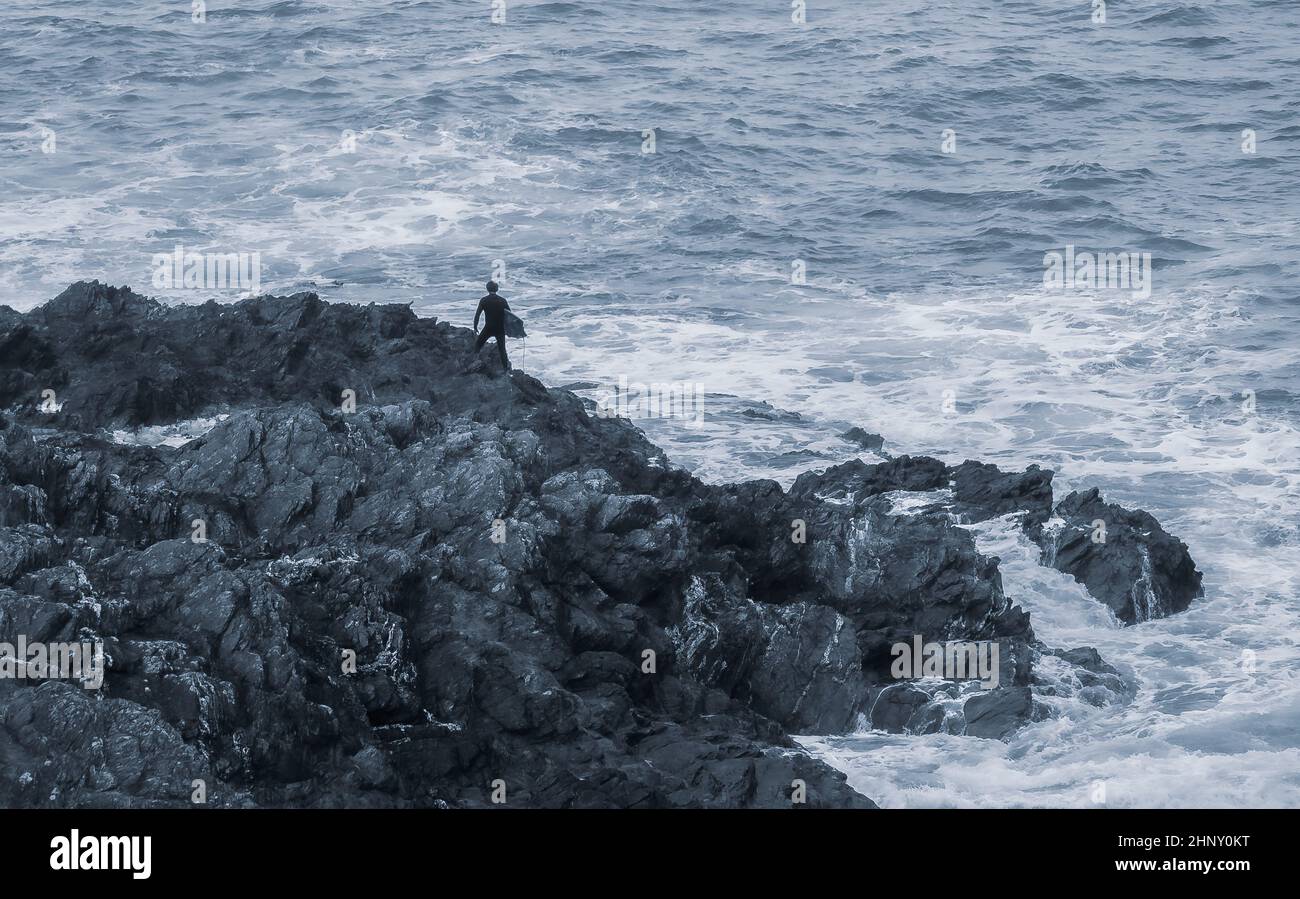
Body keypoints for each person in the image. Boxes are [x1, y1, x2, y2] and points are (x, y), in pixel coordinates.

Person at [473, 281, 511, 371]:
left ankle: (474, 363)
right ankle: (506, 370)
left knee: (477, 345)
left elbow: (477, 314)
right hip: (500, 328)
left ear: (487, 289)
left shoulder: (484, 300)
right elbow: (509, 315)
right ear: (497, 289)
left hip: (488, 328)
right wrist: (511, 329)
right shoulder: (502, 300)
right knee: (502, 350)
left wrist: (475, 327)